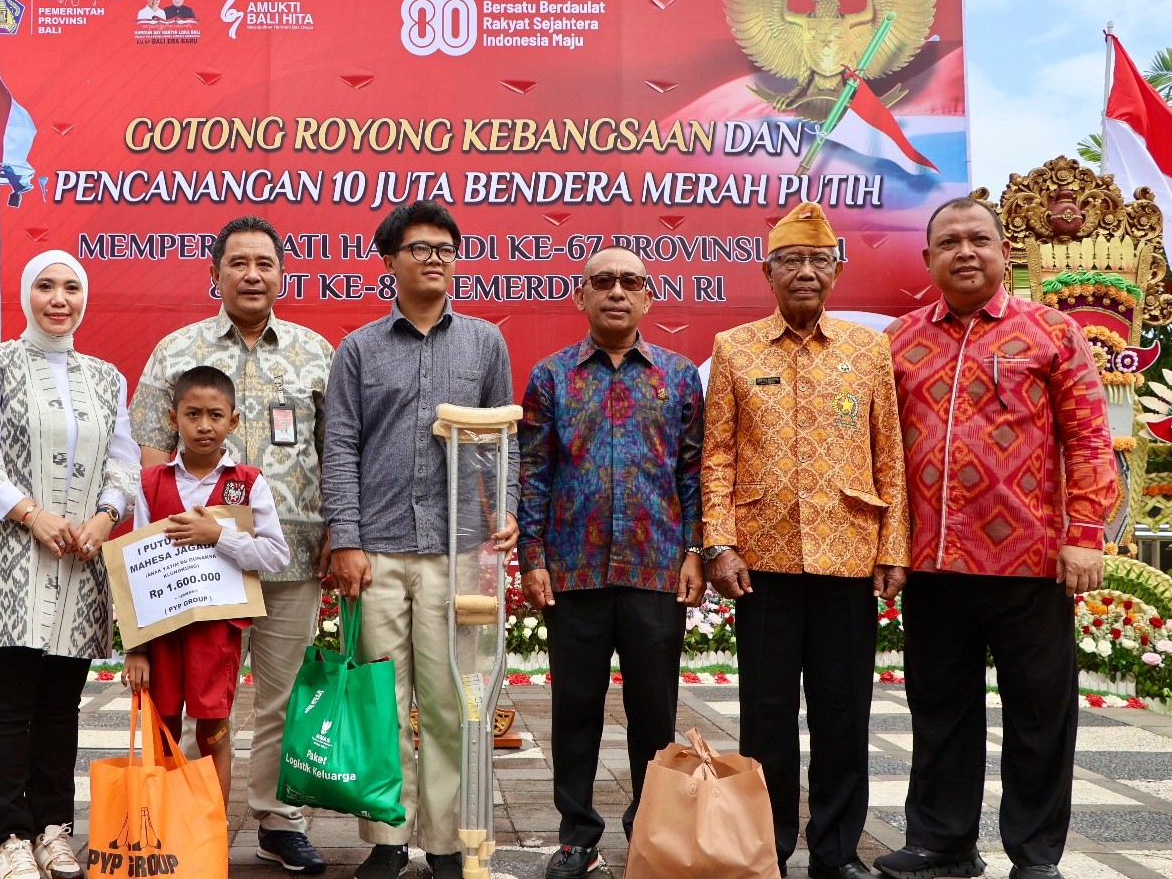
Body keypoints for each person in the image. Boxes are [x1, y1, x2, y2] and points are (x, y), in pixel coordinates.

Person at [874, 198, 1117, 879]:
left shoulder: (1053, 332)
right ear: (927, 261)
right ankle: (942, 843)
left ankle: (1035, 854)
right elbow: (877, 448)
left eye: (978, 238)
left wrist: (1086, 533)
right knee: (940, 711)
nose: (965, 250)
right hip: (933, 563)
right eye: (948, 241)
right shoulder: (897, 341)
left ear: (1004, 252)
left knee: (1040, 716)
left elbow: (1092, 437)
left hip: (1031, 562)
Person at [702, 202, 909, 879]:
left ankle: (837, 850)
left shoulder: (868, 348)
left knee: (843, 711)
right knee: (764, 714)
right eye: (791, 260)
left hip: (848, 554)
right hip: (759, 561)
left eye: (819, 260)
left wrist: (893, 547)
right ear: (767, 271)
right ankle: (766, 844)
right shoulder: (734, 348)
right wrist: (718, 544)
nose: (806, 272)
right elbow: (718, 456)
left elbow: (891, 455)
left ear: (837, 270)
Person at [129, 215, 332, 874]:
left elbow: (337, 450)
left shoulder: (315, 351)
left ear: (282, 273)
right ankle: (188, 818)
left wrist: (340, 532)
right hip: (193, 567)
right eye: (238, 262)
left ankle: (277, 817)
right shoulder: (175, 350)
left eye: (264, 263)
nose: (252, 274)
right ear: (213, 272)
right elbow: (151, 458)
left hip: (288, 553)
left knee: (283, 692)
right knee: (195, 698)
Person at [322, 200, 519, 879]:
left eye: (445, 247)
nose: (434, 257)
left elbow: (502, 439)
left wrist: (508, 510)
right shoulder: (360, 349)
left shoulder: (486, 343)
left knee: (444, 700)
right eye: (419, 247)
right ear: (389, 261)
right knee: (381, 701)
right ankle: (386, 838)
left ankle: (442, 841)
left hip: (456, 548)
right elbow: (340, 444)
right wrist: (344, 538)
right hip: (376, 549)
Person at [0, 250, 141, 879]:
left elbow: (123, 462)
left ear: (86, 297)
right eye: (46, 287)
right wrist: (32, 515)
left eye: (71, 288)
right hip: (8, 557)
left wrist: (105, 515)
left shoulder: (107, 377)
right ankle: (7, 834)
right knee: (7, 703)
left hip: (79, 560)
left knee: (62, 705)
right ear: (27, 294)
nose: (59, 300)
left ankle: (54, 830)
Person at [517, 247, 704, 879]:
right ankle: (577, 834)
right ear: (581, 296)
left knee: (656, 711)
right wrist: (533, 557)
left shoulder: (678, 377)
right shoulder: (551, 377)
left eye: (630, 282)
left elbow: (692, 472)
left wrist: (695, 552)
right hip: (574, 571)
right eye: (603, 282)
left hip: (656, 569)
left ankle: (652, 830)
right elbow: (535, 473)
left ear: (649, 297)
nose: (616, 292)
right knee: (575, 708)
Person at [122, 366, 290, 805]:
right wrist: (136, 649)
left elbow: (276, 555)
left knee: (214, 731)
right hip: (162, 635)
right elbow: (136, 569)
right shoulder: (150, 483)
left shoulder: (248, 483)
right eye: (192, 414)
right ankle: (164, 830)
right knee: (163, 733)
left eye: (215, 415)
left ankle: (209, 837)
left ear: (233, 421)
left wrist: (220, 536)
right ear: (173, 417)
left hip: (217, 635)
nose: (203, 425)